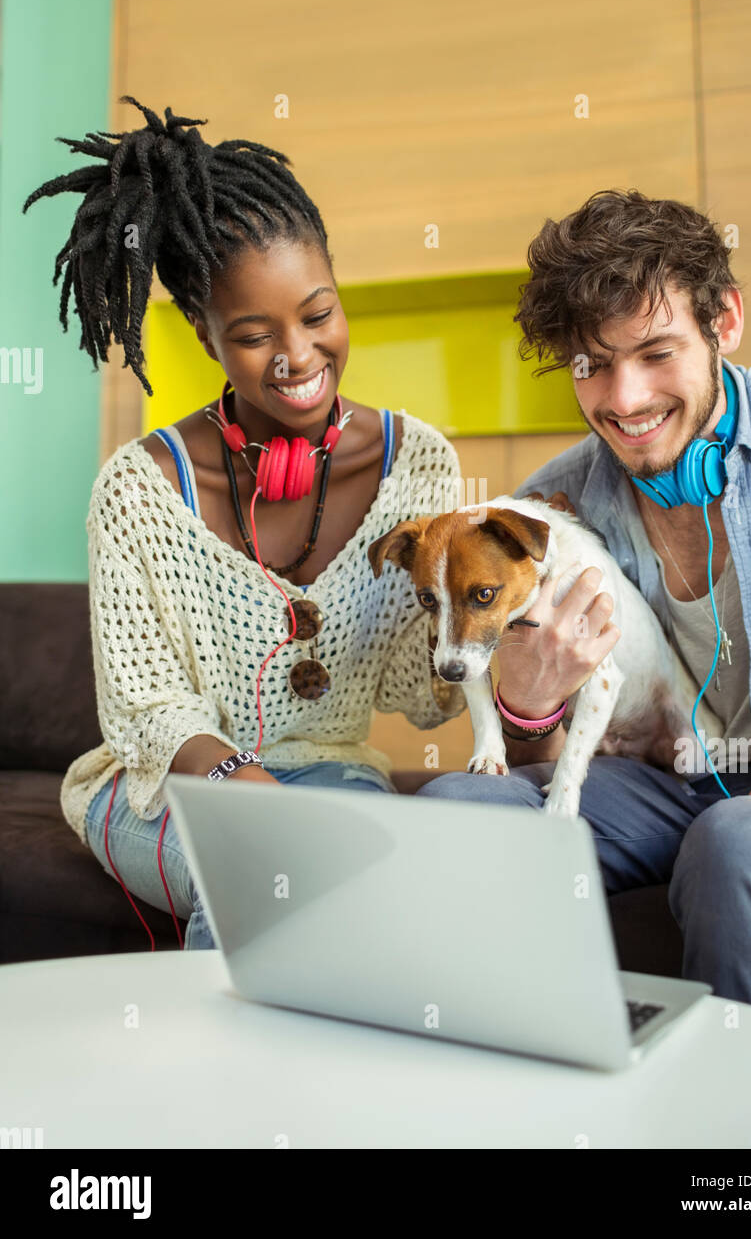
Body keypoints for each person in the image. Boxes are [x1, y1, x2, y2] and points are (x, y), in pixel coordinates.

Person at [23, 95, 466, 950]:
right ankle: (217, 1085)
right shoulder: (137, 490)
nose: (299, 358)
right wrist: (237, 776)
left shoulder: (419, 464)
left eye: (318, 314)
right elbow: (147, 710)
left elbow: (420, 693)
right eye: (256, 335)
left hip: (336, 771)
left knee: (339, 884)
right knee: (263, 871)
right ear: (205, 334)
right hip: (160, 788)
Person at [418, 188, 751, 1023]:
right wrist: (524, 698)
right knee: (458, 809)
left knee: (739, 843)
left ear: (724, 321)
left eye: (656, 353)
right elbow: (532, 750)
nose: (622, 400)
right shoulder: (549, 512)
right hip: (674, 781)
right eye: (591, 364)